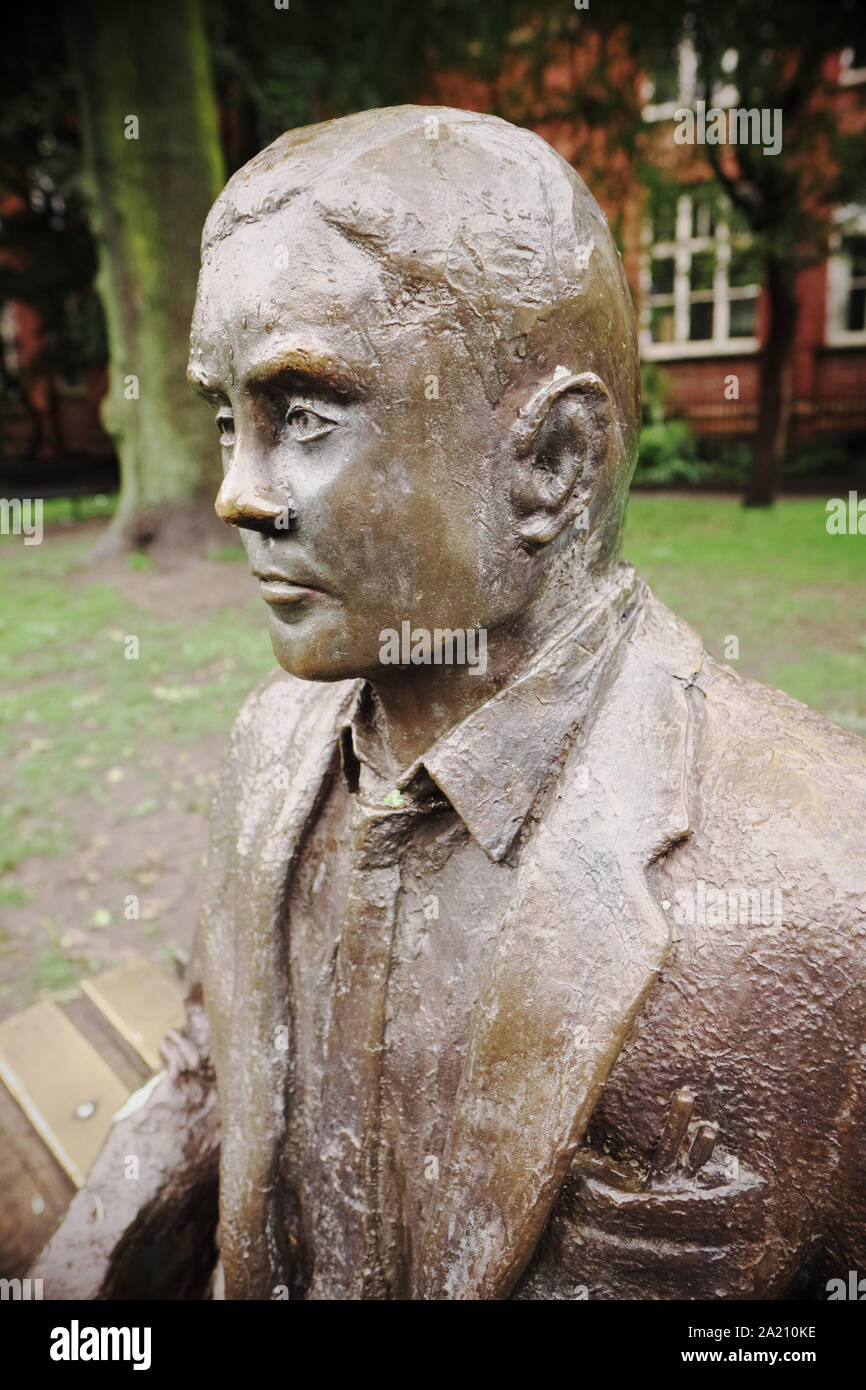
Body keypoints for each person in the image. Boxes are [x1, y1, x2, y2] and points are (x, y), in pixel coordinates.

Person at [35, 106, 866, 1300]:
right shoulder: (272, 751)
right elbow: (212, 1078)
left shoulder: (819, 879)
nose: (232, 493)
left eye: (303, 417)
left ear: (549, 464)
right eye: (227, 419)